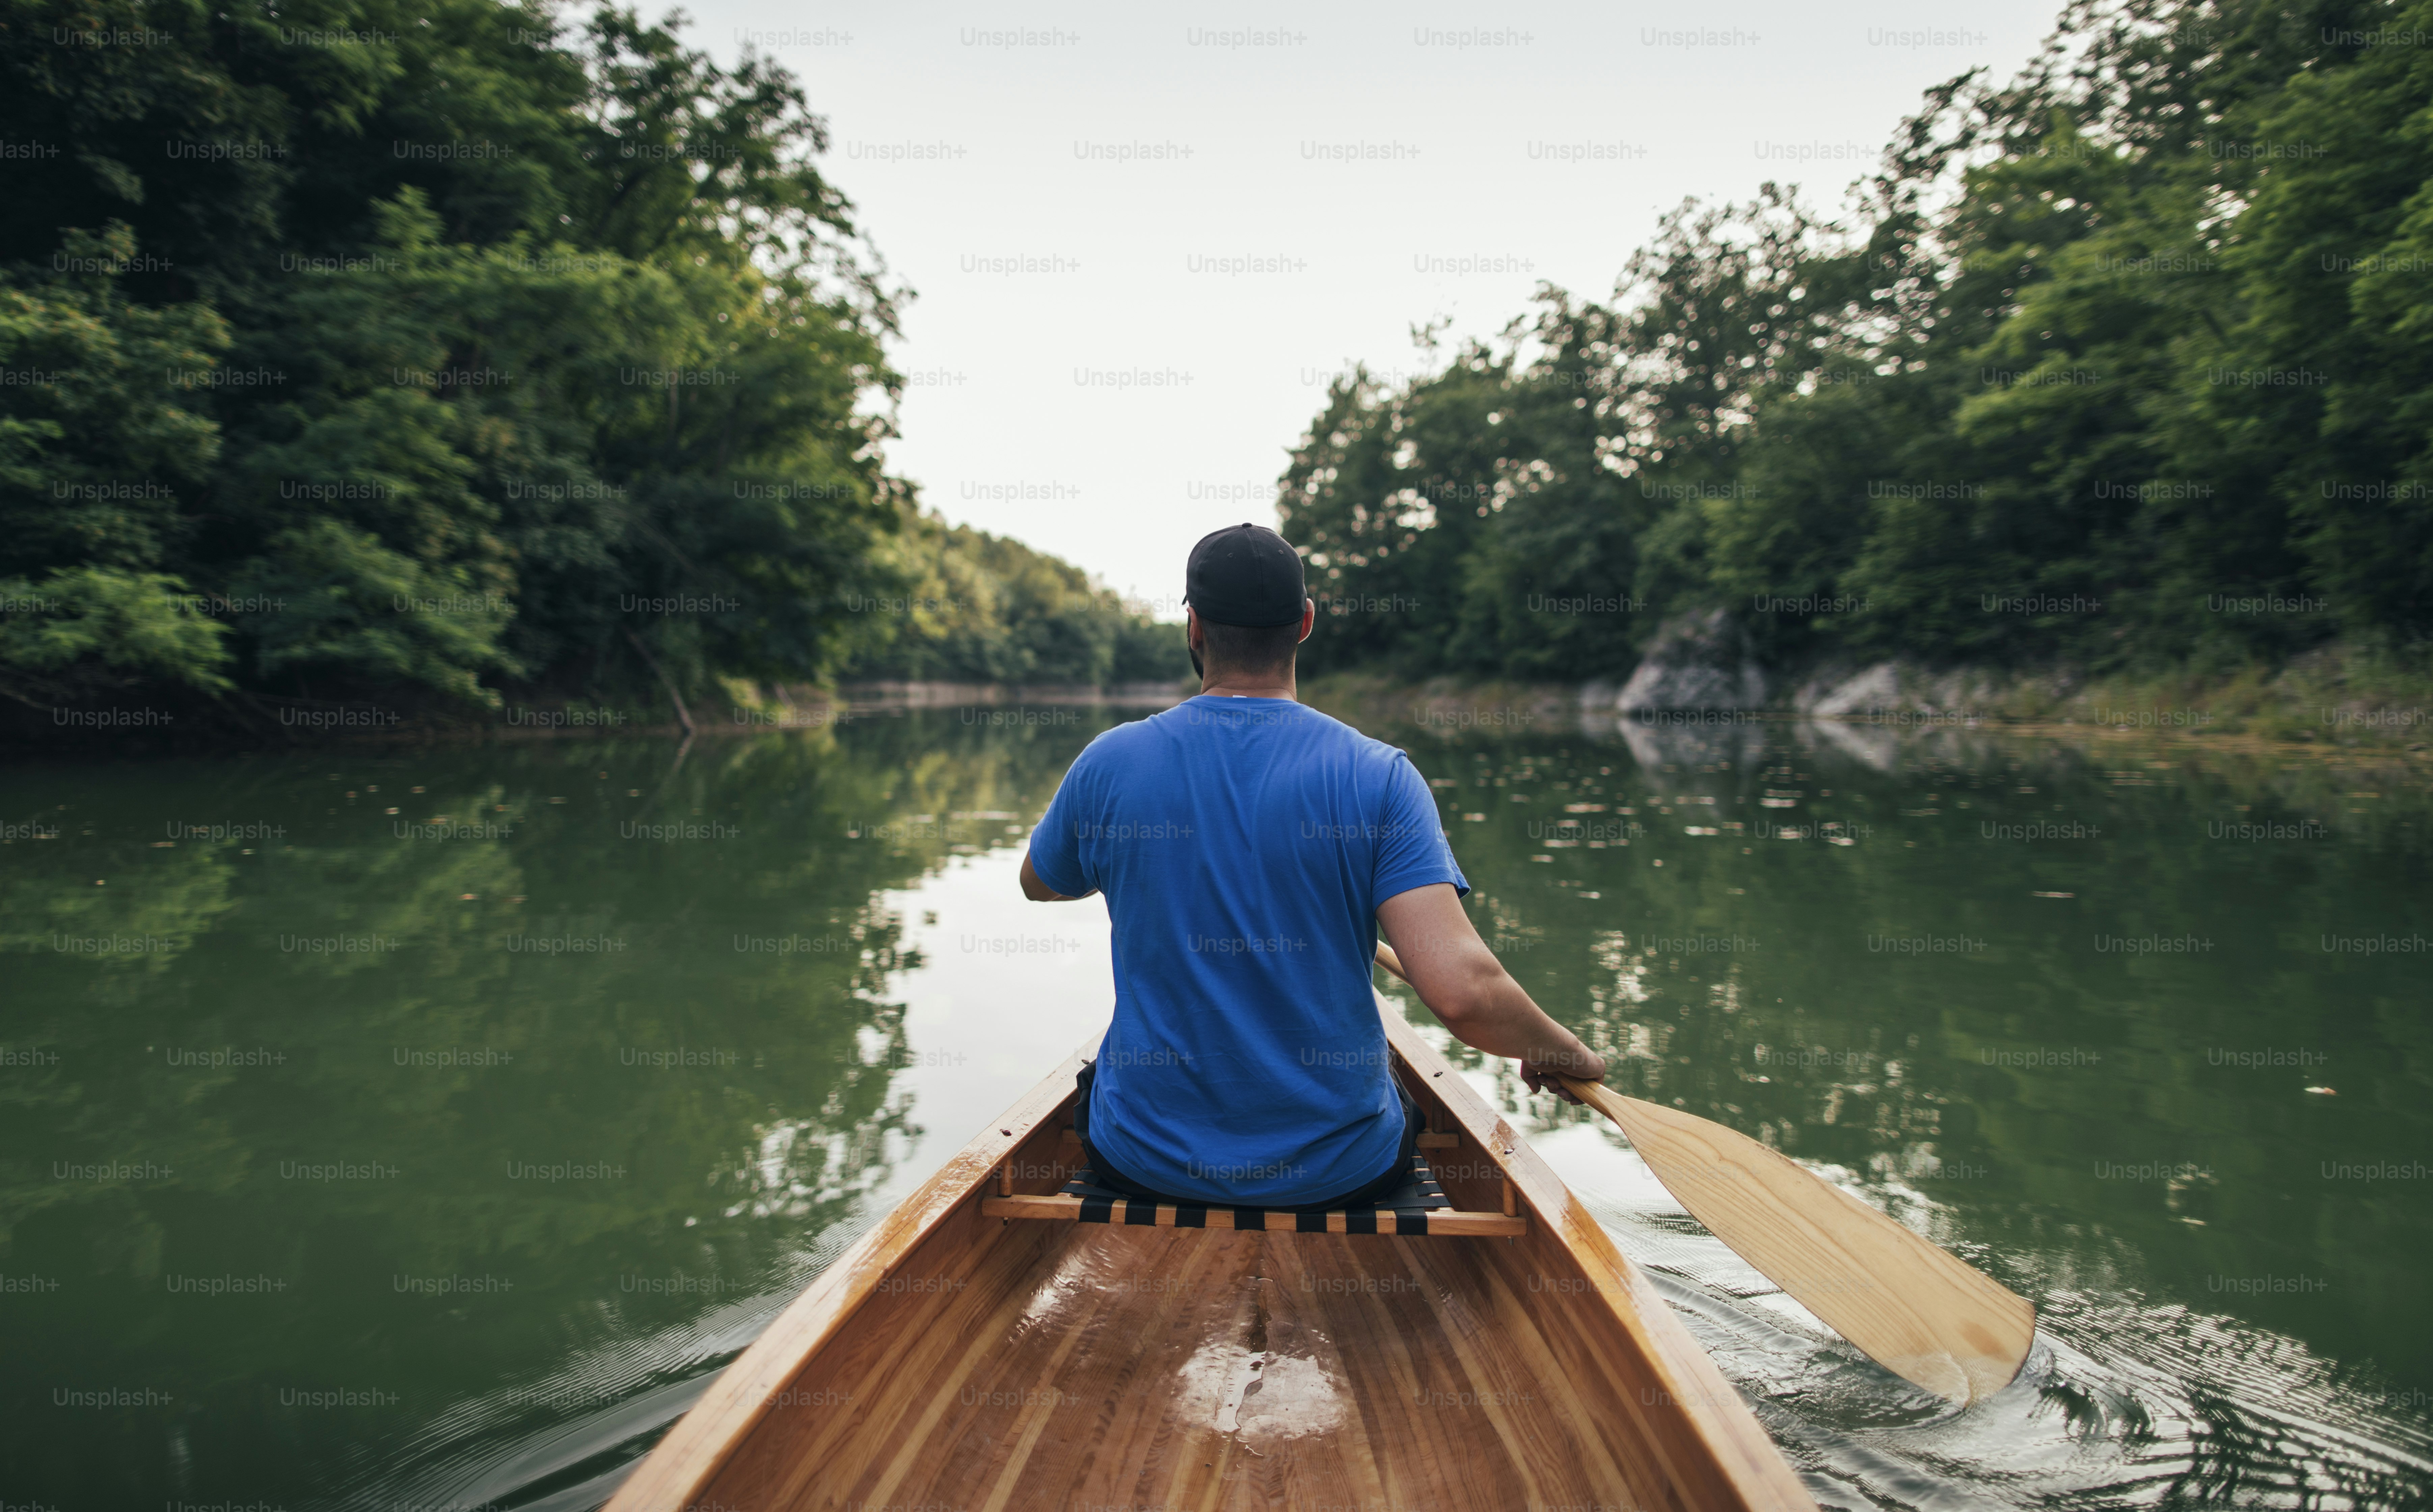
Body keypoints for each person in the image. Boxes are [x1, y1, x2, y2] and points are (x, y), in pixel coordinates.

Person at [1019, 522, 1608, 1210]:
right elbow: (1462, 993)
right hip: (1338, 1171)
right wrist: (1561, 1049)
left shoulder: (1111, 762)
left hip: (1142, 1159)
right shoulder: (1380, 776)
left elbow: (1041, 882)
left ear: (1193, 627)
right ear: (1304, 622)